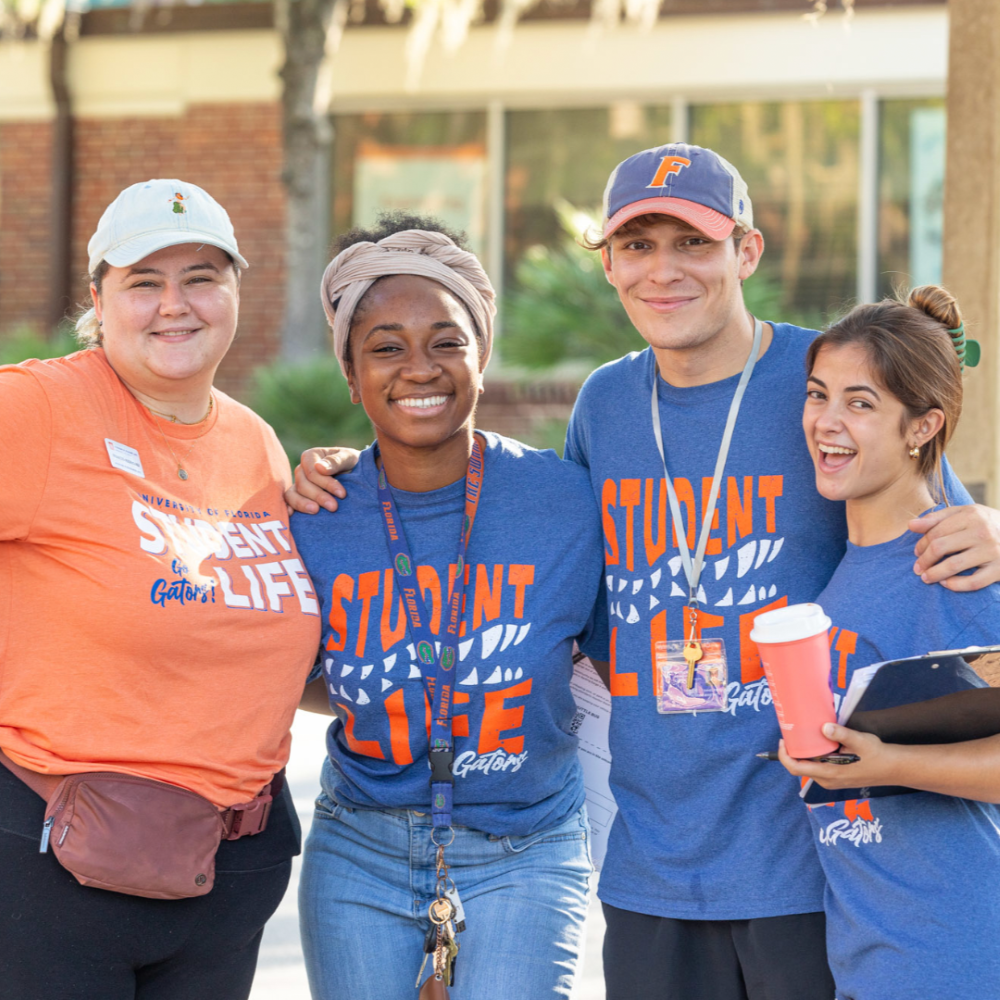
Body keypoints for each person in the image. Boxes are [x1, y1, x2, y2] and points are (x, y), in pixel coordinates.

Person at [288, 145, 1000, 999]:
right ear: (611, 264)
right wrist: (339, 475)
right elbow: (524, 557)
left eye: (692, 244)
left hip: (804, 850)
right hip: (652, 862)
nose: (663, 271)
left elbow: (939, 527)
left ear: (746, 252)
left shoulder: (824, 380)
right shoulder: (606, 403)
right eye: (636, 245)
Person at [0, 178, 321, 999]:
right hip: (58, 875)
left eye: (202, 277)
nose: (176, 304)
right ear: (99, 299)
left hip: (231, 873)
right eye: (145, 281)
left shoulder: (254, 443)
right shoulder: (38, 409)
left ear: (235, 292)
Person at [289, 215, 606, 1000]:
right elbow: (285, 668)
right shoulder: (313, 514)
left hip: (527, 842)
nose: (418, 368)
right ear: (350, 372)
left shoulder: (566, 501)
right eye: (386, 346)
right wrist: (390, 684)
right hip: (358, 844)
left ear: (483, 354)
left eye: (447, 341)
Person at [778, 287, 1000, 1000]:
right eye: (818, 395)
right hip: (871, 962)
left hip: (960, 958)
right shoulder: (837, 581)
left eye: (861, 403)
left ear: (921, 426)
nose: (827, 423)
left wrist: (886, 762)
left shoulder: (957, 568)